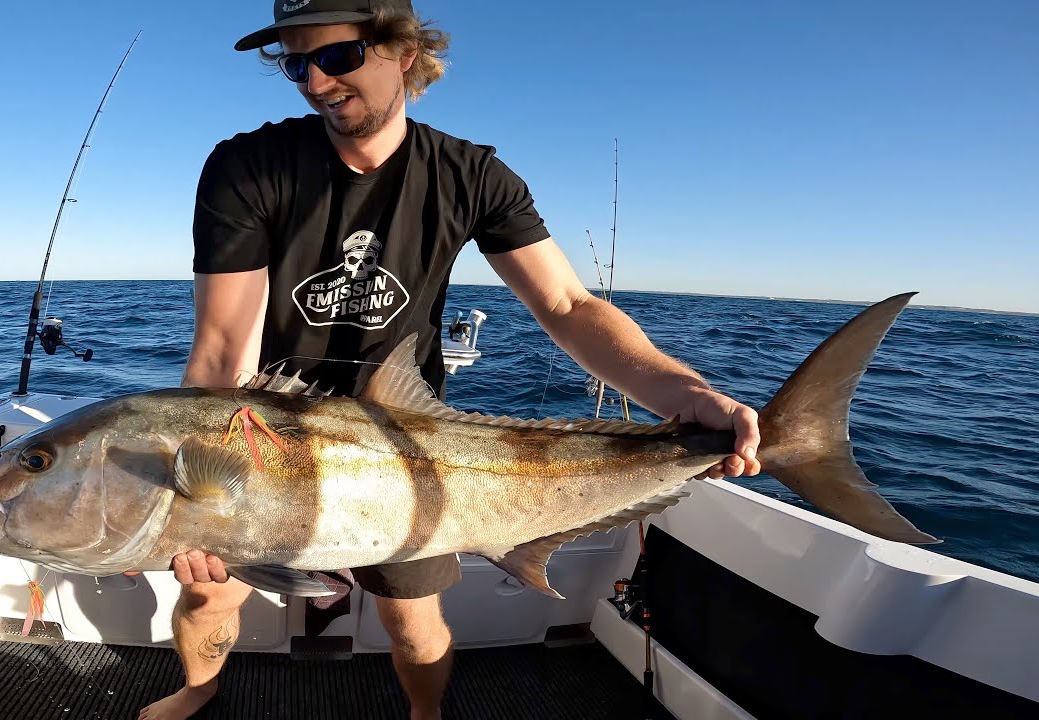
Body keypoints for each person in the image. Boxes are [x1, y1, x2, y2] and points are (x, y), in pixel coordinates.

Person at [139, 2, 761, 719]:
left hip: (404, 435)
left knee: (412, 618)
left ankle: (426, 714)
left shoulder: (472, 174)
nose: (313, 82)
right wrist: (180, 501)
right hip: (269, 435)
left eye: (335, 57)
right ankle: (197, 690)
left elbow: (566, 306)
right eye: (294, 62)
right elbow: (223, 347)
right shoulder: (248, 167)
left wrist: (688, 393)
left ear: (402, 51)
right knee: (208, 588)